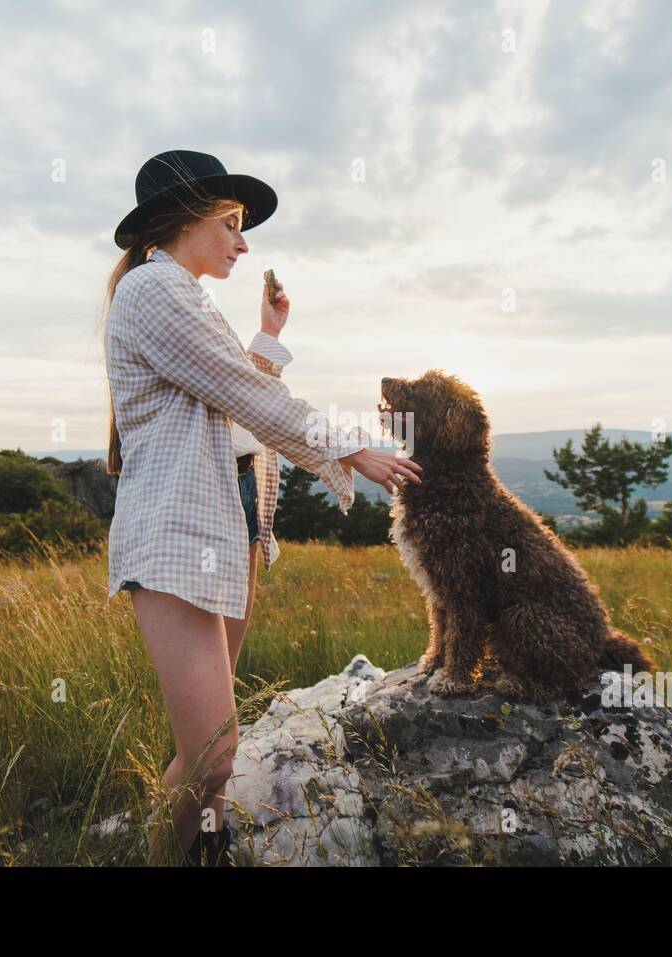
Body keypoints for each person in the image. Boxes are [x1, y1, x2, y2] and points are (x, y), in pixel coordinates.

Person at [102, 150, 422, 865]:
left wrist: (270, 333)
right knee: (213, 753)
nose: (244, 243)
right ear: (186, 219)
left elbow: (233, 401)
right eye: (232, 223)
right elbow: (249, 398)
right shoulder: (154, 289)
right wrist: (350, 449)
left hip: (231, 521)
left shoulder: (182, 293)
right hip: (177, 531)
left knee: (213, 745)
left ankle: (205, 857)